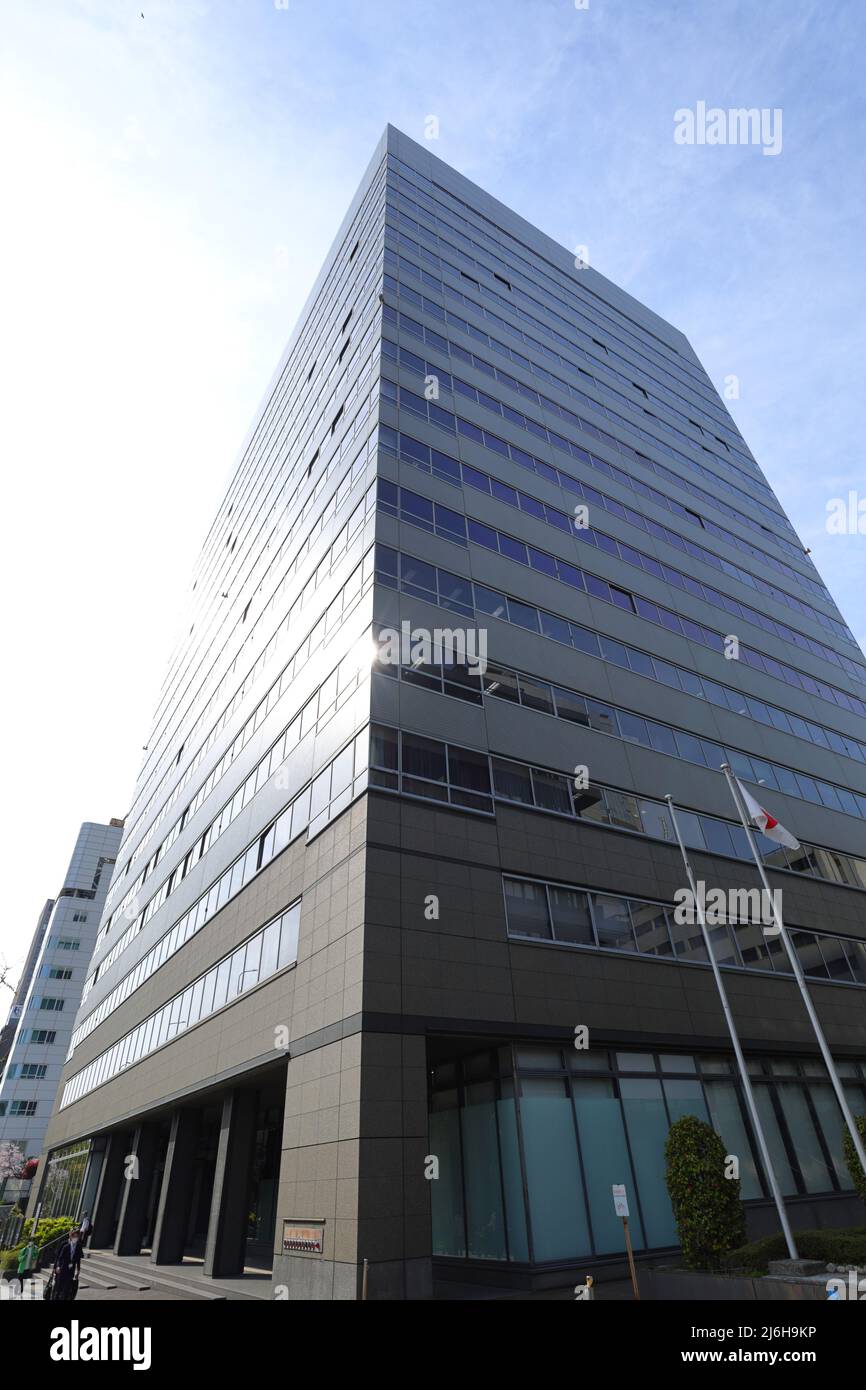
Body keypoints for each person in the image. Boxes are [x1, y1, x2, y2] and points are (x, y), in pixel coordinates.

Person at [52, 1229, 83, 1301]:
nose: (75, 1238)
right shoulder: (64, 1244)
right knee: (58, 1287)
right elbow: (58, 1256)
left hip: (70, 1270)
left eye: (77, 1237)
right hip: (62, 1269)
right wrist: (56, 1267)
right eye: (74, 1236)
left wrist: (78, 1270)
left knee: (67, 1288)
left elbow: (78, 1259)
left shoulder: (78, 1246)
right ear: (71, 1236)